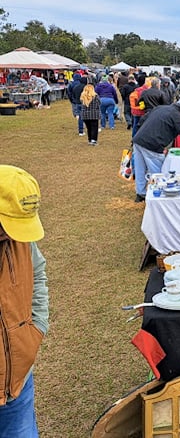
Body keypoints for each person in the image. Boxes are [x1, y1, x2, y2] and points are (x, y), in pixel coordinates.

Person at [0, 165, 49, 438]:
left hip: (17, 376)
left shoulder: (20, 239)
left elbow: (38, 274)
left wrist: (35, 326)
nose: (13, 234)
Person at [80, 81, 102, 146]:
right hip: (94, 114)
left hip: (85, 115)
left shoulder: (82, 97)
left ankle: (89, 139)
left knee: (88, 128)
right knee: (94, 127)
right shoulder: (95, 96)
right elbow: (99, 104)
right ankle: (93, 140)